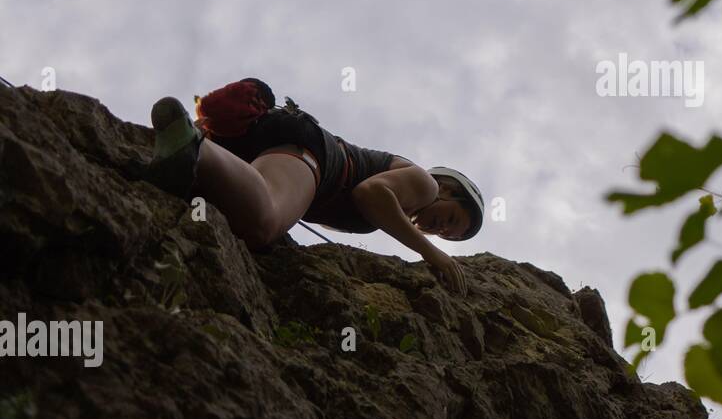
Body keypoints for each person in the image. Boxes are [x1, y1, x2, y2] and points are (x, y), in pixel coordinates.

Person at [145, 78, 481, 292]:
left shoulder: (401, 207)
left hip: (285, 146)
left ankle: (195, 153)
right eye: (451, 219)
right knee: (264, 223)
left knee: (246, 205)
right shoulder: (425, 185)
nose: (440, 231)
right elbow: (371, 194)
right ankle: (195, 146)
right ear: (447, 189)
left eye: (446, 236)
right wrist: (432, 254)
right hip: (312, 154)